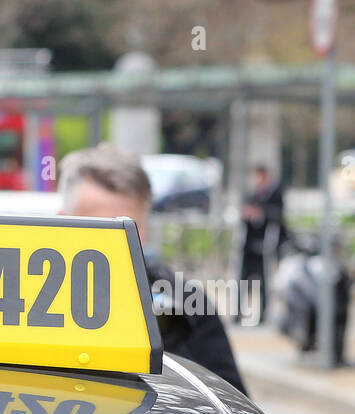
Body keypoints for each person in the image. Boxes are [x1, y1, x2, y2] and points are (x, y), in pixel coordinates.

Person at [59, 144, 247, 394]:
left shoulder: (185, 305)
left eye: (124, 229)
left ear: (145, 230)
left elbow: (229, 406)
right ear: (60, 221)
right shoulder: (22, 306)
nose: (109, 243)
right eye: (95, 228)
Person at [238, 164, 284, 324]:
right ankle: (237, 314)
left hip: (264, 245)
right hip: (248, 245)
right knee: (242, 281)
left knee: (263, 282)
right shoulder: (252, 194)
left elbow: (278, 216)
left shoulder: (275, 194)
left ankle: (263, 315)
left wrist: (261, 214)